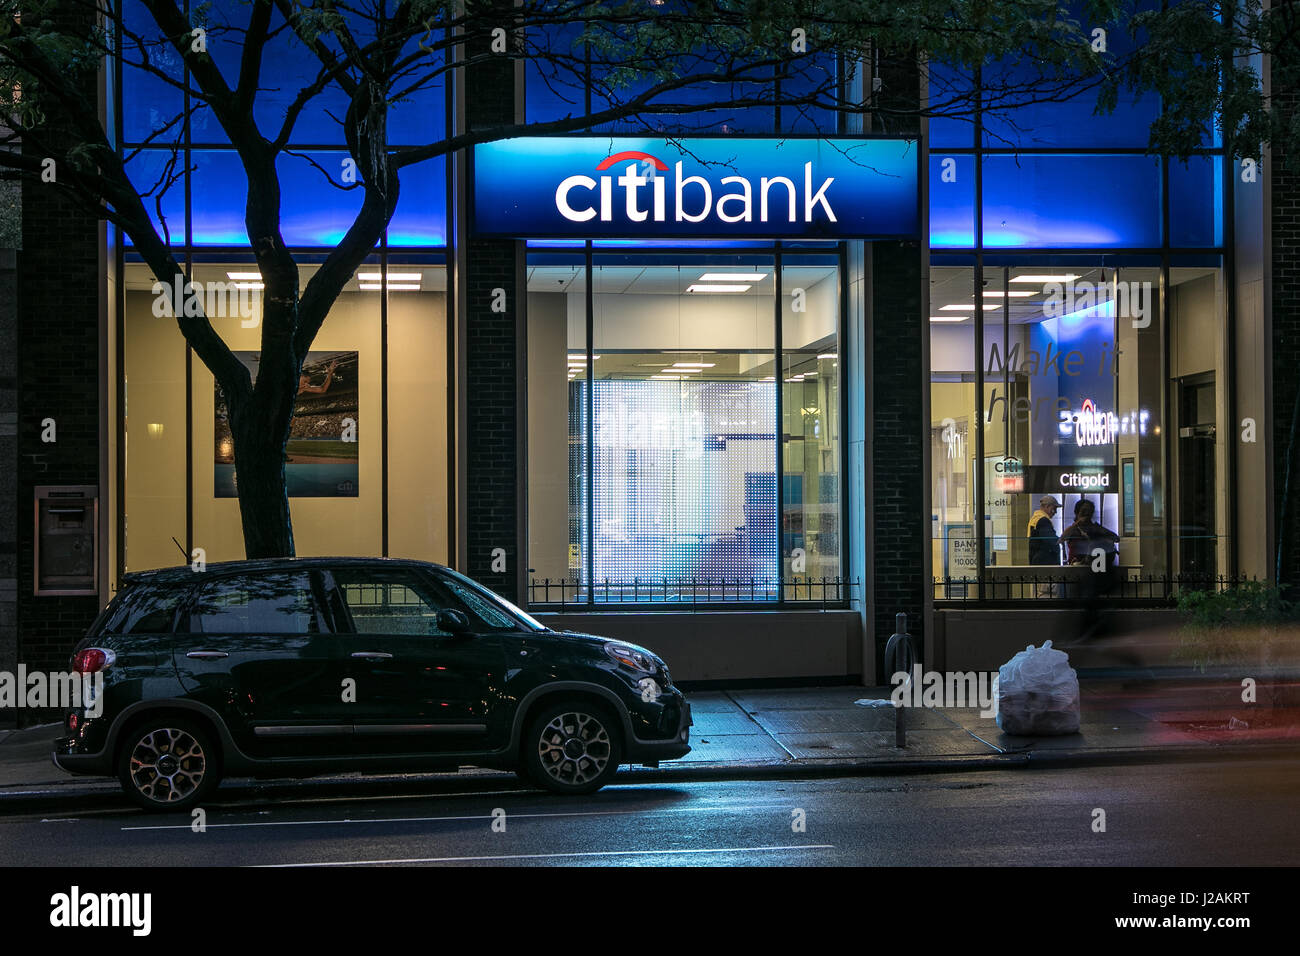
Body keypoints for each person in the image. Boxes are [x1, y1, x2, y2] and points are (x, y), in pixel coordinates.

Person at [1059, 498, 1121, 641]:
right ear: (1077, 512)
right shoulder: (1073, 528)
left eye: (1089, 511)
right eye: (1083, 511)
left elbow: (1115, 538)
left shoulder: (1095, 528)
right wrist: (1077, 524)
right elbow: (1061, 539)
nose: (1087, 514)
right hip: (1076, 572)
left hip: (1092, 573)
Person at [1027, 495, 1062, 597]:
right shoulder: (1043, 521)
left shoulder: (1035, 519)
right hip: (1046, 566)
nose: (1055, 512)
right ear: (1047, 506)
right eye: (1054, 508)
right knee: (1048, 594)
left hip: (1038, 564)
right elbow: (1051, 540)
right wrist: (1061, 539)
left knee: (1040, 593)